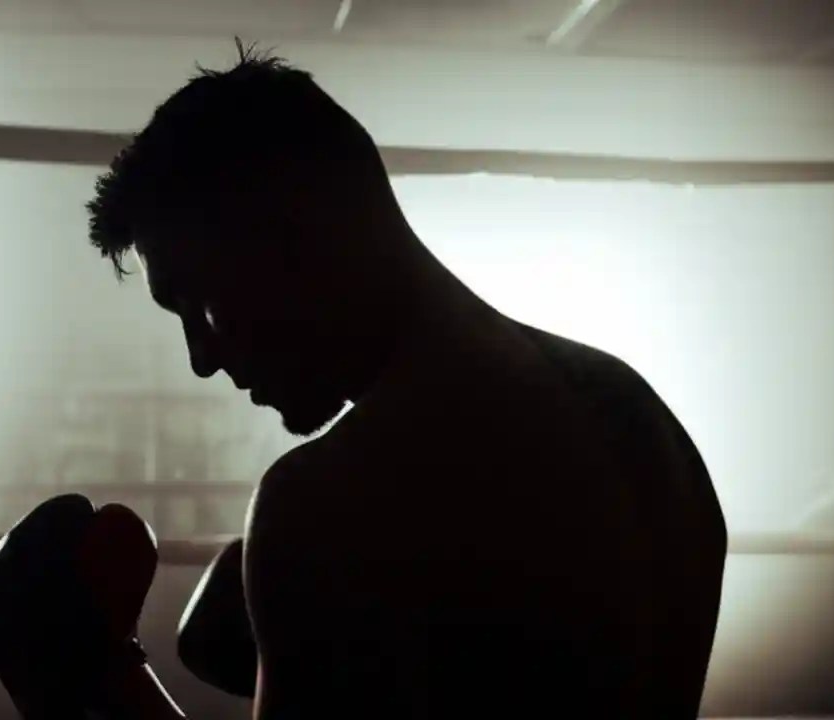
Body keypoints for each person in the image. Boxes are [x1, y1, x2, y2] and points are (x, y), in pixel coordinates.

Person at [86, 40, 727, 719]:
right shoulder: (643, 421)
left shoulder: (325, 502)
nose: (202, 358)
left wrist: (90, 671)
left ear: (297, 234)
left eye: (201, 302)